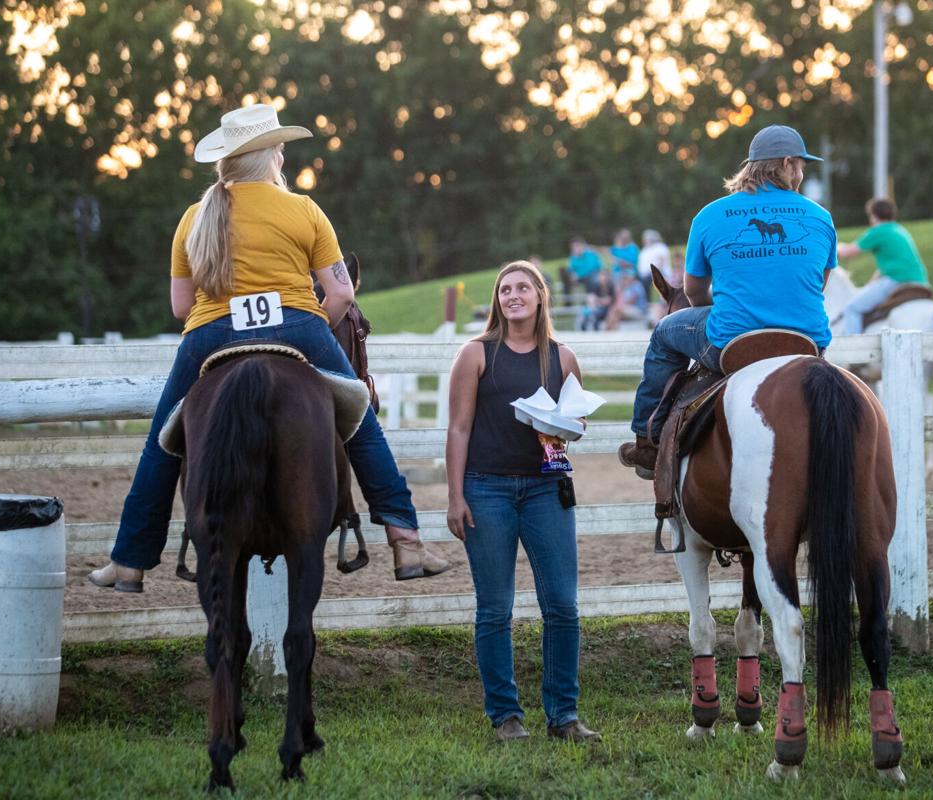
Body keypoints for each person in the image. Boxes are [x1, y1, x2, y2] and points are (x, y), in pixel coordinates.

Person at [87, 104, 449, 593]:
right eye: (280, 147)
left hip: (211, 333)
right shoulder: (304, 209)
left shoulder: (195, 216)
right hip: (296, 325)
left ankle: (129, 560)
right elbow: (341, 294)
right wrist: (310, 327)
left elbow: (179, 306)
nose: (283, 154)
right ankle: (406, 541)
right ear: (271, 154)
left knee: (162, 440)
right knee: (362, 422)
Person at [619, 124, 834, 475]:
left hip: (732, 342)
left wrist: (716, 305)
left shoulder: (710, 215)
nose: (801, 173)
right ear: (787, 162)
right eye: (801, 166)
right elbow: (815, 286)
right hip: (806, 345)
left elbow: (693, 293)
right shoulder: (821, 217)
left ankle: (648, 439)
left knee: (662, 334)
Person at [445, 260, 601, 744]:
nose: (513, 295)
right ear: (498, 299)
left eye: (522, 288)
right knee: (495, 608)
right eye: (505, 289)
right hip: (485, 489)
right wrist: (455, 497)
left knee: (562, 606)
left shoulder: (563, 358)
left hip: (545, 490)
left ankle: (564, 717)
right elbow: (459, 428)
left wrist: (568, 430)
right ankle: (506, 717)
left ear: (539, 297)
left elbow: (571, 428)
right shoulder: (475, 354)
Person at [835, 197, 929, 334]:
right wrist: (868, 287)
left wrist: (834, 247)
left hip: (897, 280)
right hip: (920, 281)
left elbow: (848, 252)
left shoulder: (879, 231)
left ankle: (855, 351)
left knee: (852, 308)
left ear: (873, 216)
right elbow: (883, 269)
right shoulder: (899, 230)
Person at [637, 228, 671, 300]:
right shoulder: (645, 250)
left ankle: (648, 301)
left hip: (658, 272)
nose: (645, 240)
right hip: (644, 273)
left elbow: (662, 261)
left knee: (645, 280)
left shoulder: (660, 247)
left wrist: (652, 271)